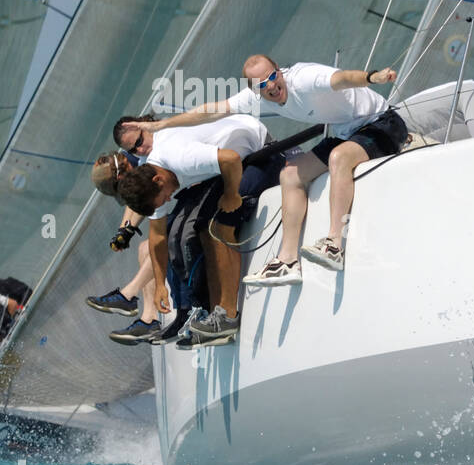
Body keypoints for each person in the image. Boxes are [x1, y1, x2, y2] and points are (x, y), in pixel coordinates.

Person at [121, 56, 408, 282]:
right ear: (254, 89)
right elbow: (211, 109)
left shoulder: (304, 78)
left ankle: (334, 243)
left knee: (338, 159)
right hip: (345, 133)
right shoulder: (256, 96)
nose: (270, 86)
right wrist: (160, 125)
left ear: (280, 72)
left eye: (273, 77)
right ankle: (287, 261)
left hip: (382, 123)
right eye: (262, 84)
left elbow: (343, 78)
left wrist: (373, 77)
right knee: (290, 174)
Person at [116, 114, 279, 346]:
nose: (167, 201)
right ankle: (216, 315)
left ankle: (229, 316)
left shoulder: (180, 158)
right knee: (203, 230)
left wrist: (232, 195)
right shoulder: (148, 175)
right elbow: (158, 235)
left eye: (162, 199)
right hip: (227, 164)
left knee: (220, 228)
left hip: (260, 151)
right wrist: (160, 284)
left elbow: (230, 159)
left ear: (159, 181)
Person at [86, 150, 167, 345]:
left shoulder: (150, 161)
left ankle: (127, 295)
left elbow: (142, 196)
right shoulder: (131, 164)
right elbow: (135, 199)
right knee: (143, 249)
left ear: (122, 177)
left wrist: (127, 230)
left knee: (158, 243)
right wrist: (124, 231)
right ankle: (149, 320)